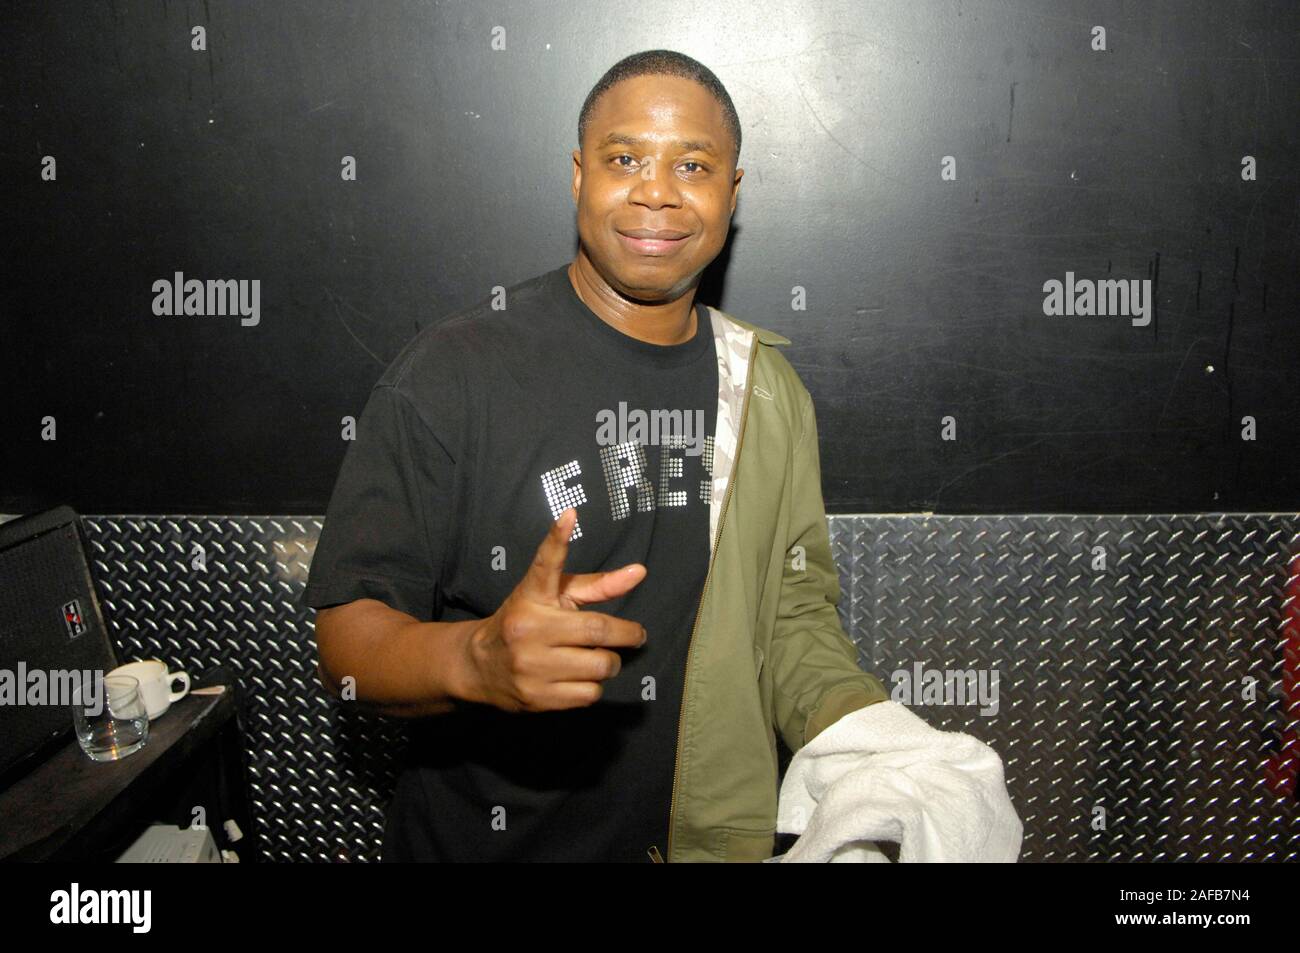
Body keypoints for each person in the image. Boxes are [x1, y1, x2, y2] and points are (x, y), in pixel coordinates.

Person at [302, 49, 889, 863]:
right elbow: (347, 643)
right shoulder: (456, 371)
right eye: (624, 160)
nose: (657, 190)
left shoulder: (763, 390)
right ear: (579, 175)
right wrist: (476, 659)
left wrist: (884, 746)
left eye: (693, 164)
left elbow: (792, 616)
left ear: (733, 193)